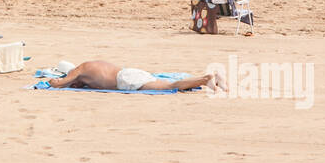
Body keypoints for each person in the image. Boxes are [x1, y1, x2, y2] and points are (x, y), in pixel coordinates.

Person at [44, 59, 225, 92]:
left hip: (125, 81)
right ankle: (209, 78)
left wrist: (54, 80)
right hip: (128, 73)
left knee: (170, 86)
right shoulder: (90, 66)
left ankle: (205, 79)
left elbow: (57, 84)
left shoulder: (78, 71)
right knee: (164, 82)